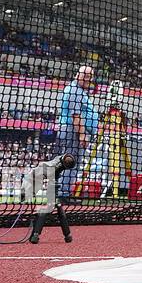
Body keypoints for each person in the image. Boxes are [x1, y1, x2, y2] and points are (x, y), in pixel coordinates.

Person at [56, 65, 97, 200]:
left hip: (71, 130)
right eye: (85, 76)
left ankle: (62, 192)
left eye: (90, 77)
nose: (88, 79)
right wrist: (82, 135)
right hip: (72, 131)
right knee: (71, 163)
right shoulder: (75, 91)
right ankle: (64, 194)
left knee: (67, 162)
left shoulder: (78, 91)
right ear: (77, 75)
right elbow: (76, 116)